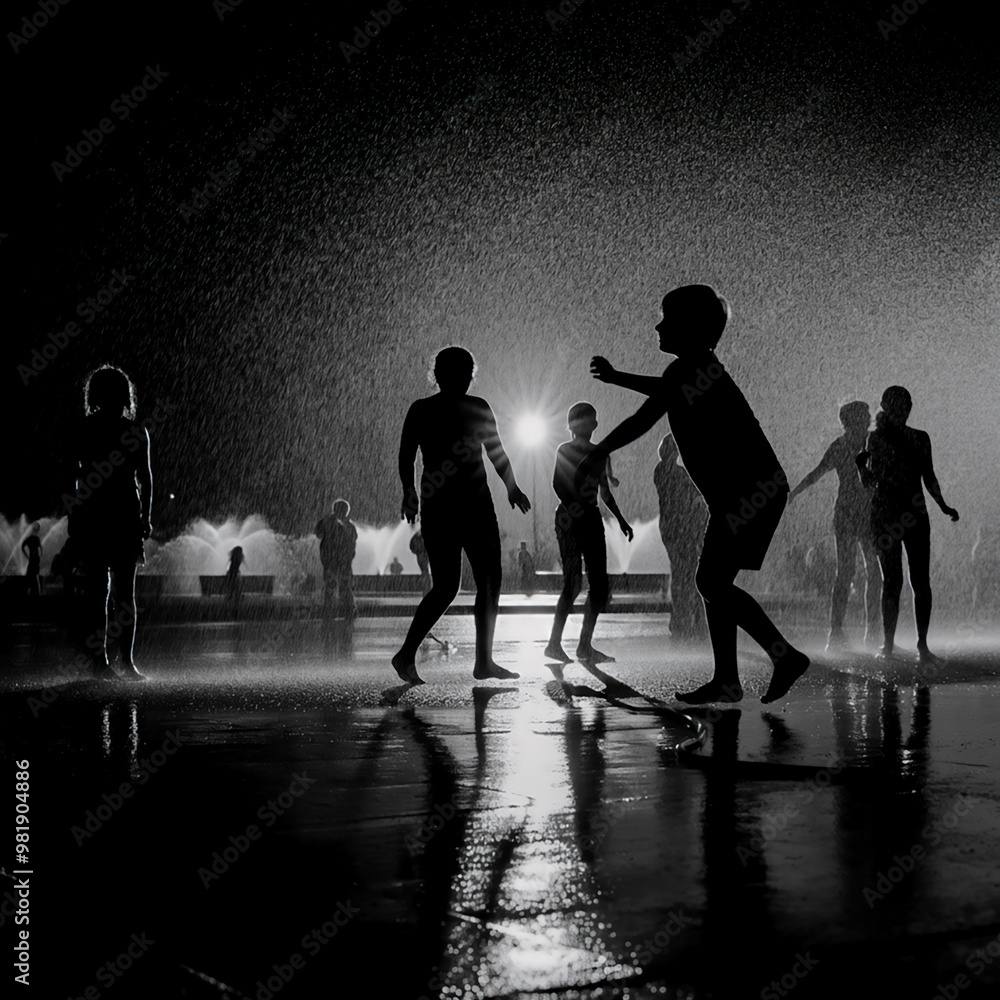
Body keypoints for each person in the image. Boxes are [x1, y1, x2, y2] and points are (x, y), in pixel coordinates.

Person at [583, 283, 809, 704]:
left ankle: (784, 657)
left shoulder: (692, 370)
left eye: (666, 319)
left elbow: (643, 419)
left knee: (711, 581)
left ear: (690, 327)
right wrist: (616, 378)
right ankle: (728, 679)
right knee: (713, 582)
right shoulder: (694, 368)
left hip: (750, 493)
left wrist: (597, 451)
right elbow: (665, 392)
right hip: (748, 492)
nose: (657, 325)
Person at [393, 346, 531, 685]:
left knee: (449, 586)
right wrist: (511, 486)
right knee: (483, 581)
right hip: (471, 506)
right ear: (442, 376)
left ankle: (412, 654)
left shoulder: (425, 409)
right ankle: (475, 660)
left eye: (467, 375)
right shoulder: (472, 407)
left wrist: (410, 493)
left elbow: (407, 456)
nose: (466, 380)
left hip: (441, 505)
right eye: (463, 375)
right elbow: (496, 452)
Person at [856, 386, 959, 662]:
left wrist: (942, 505)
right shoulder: (875, 439)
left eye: (907, 404)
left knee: (918, 581)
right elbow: (869, 483)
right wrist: (860, 468)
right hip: (891, 516)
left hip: (911, 516)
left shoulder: (919, 438)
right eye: (900, 404)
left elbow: (929, 476)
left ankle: (921, 645)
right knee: (894, 581)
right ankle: (890, 645)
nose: (905, 409)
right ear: (888, 408)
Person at [66, 365, 152, 680]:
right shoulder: (134, 431)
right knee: (123, 594)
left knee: (97, 592)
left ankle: (100, 663)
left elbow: (71, 477)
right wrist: (147, 517)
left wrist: (74, 515)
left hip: (94, 513)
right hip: (125, 513)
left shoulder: (85, 429)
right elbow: (146, 479)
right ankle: (126, 663)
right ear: (124, 395)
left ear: (95, 396)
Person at [545, 402, 633, 664]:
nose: (589, 426)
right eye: (582, 421)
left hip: (591, 518)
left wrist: (621, 519)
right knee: (572, 584)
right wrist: (575, 509)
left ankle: (585, 645)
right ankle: (553, 643)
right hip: (570, 520)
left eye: (592, 421)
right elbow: (557, 483)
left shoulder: (599, 454)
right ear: (572, 425)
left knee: (599, 586)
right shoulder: (565, 450)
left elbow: (604, 491)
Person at [789, 401, 880, 650]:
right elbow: (817, 473)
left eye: (869, 416)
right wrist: (793, 493)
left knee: (873, 572)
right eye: (865, 416)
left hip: (865, 513)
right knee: (850, 571)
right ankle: (837, 631)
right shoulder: (845, 446)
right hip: (850, 514)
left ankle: (871, 629)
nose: (869, 419)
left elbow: (817, 473)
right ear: (851, 421)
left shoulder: (870, 443)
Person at [654, 434, 708, 640]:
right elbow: (695, 494)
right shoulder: (670, 471)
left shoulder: (663, 471)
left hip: (673, 528)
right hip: (680, 529)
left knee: (682, 572)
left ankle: (683, 618)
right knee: (687, 572)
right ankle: (688, 617)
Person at [316, 499, 358, 618]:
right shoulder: (349, 525)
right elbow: (353, 541)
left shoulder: (325, 522)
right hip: (343, 559)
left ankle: (329, 610)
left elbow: (318, 534)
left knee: (330, 584)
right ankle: (348, 610)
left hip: (329, 558)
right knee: (345, 584)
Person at [21, 522, 42, 598]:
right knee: (34, 574)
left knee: (30, 574)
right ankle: (35, 590)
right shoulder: (36, 539)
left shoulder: (30, 538)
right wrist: (40, 555)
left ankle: (31, 590)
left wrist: (27, 555)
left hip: (33, 559)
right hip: (35, 559)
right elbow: (40, 548)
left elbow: (22, 546)